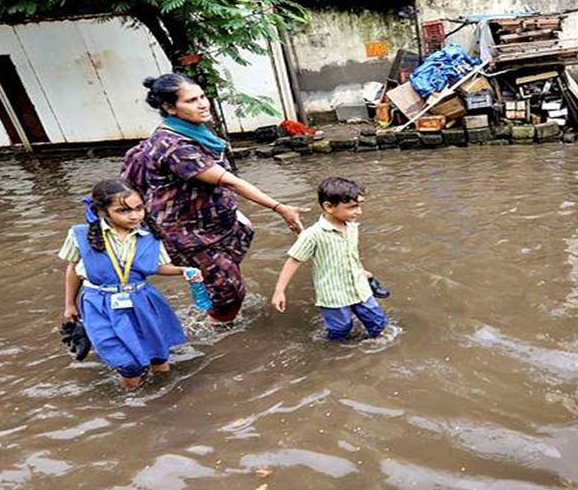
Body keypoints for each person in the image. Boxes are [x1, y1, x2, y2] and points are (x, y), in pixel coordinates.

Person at [122, 73, 308, 322]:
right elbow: (229, 180)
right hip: (188, 232)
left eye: (202, 96)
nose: (202, 104)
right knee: (230, 291)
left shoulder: (196, 131)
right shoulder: (174, 145)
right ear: (169, 107)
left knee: (232, 259)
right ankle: (218, 326)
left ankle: (211, 291)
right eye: (191, 100)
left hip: (215, 221)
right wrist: (279, 207)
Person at [59, 179, 202, 388]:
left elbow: (158, 266)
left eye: (139, 208)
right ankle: (133, 401)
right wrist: (69, 304)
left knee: (158, 357)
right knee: (127, 364)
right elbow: (73, 269)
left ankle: (164, 397)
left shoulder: (149, 235)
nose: (134, 216)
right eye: (123, 211)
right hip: (99, 303)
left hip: (142, 300)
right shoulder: (79, 235)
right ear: (102, 211)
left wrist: (182, 270)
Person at [271, 177, 388, 341]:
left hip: (359, 286)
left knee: (378, 322)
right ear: (328, 207)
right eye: (352, 207)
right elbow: (294, 260)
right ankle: (336, 353)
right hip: (333, 294)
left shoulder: (352, 227)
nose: (359, 211)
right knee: (340, 329)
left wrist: (362, 271)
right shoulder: (313, 235)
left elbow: (349, 254)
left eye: (359, 206)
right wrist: (279, 291)